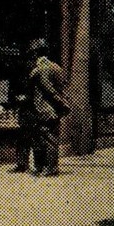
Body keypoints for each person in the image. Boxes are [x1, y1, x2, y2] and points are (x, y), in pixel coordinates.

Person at [27, 39, 70, 177]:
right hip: (53, 110)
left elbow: (49, 90)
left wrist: (62, 104)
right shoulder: (57, 67)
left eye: (33, 52)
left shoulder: (40, 69)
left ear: (36, 53)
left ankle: (48, 167)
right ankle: (44, 167)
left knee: (45, 138)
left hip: (44, 109)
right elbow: (63, 86)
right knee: (48, 137)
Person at [8, 44, 36, 173]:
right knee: (25, 137)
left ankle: (25, 163)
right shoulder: (28, 70)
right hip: (27, 110)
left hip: (31, 109)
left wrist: (23, 98)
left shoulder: (33, 71)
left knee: (28, 137)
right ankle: (24, 163)